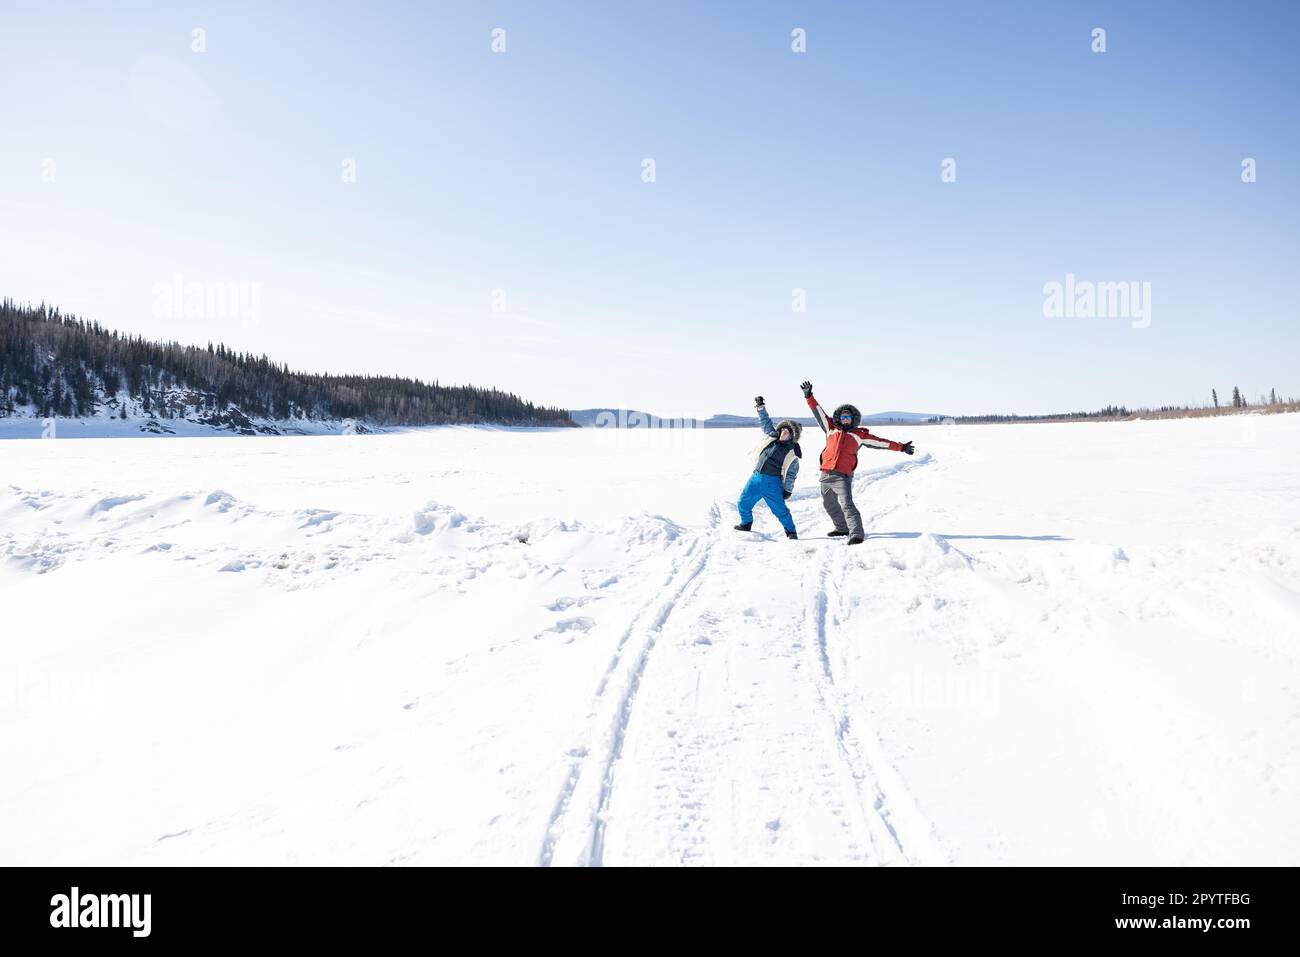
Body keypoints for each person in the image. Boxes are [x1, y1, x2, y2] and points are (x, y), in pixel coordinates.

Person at [799, 380, 914, 545]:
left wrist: (901, 447)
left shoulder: (859, 435)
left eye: (849, 417)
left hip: (842, 476)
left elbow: (882, 442)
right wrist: (809, 396)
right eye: (843, 417)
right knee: (829, 504)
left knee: (847, 505)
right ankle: (842, 528)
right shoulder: (831, 429)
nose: (845, 419)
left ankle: (857, 534)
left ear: (853, 419)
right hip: (825, 473)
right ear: (839, 418)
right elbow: (818, 412)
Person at [734, 395, 803, 540]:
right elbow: (765, 422)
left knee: (780, 511)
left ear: (792, 436)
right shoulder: (772, 437)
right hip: (755, 477)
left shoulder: (792, 453)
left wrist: (787, 490)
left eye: (787, 431)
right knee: (742, 502)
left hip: (772, 483)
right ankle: (746, 523)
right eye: (783, 429)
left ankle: (791, 532)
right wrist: (760, 407)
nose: (784, 432)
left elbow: (791, 474)